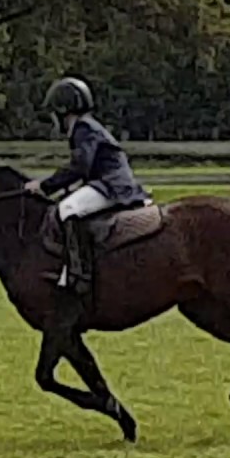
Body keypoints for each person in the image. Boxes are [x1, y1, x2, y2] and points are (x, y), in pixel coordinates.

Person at [25, 75, 149, 294]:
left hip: (111, 185)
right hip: (106, 182)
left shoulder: (84, 128)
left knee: (67, 208)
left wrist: (45, 186)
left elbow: (79, 165)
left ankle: (79, 273)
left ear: (63, 109)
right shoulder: (86, 127)